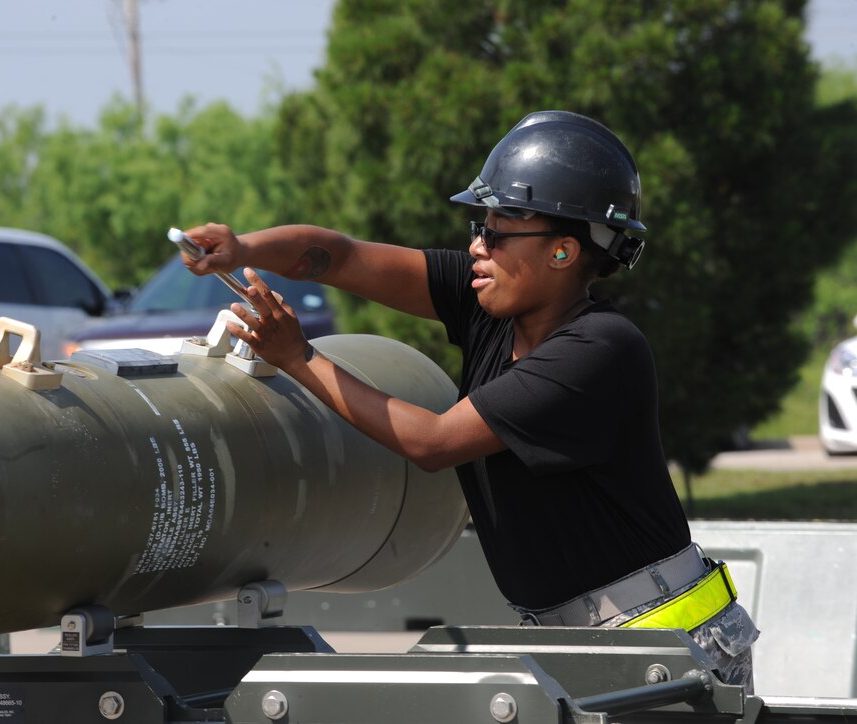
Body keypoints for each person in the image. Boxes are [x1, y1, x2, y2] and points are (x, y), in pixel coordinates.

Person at [181, 110, 759, 690]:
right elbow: (343, 256)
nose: (475, 244)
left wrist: (299, 358)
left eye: (498, 230)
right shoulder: (490, 305)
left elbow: (431, 443)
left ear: (562, 251)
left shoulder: (597, 349)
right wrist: (242, 247)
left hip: (666, 646)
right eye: (480, 225)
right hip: (589, 641)